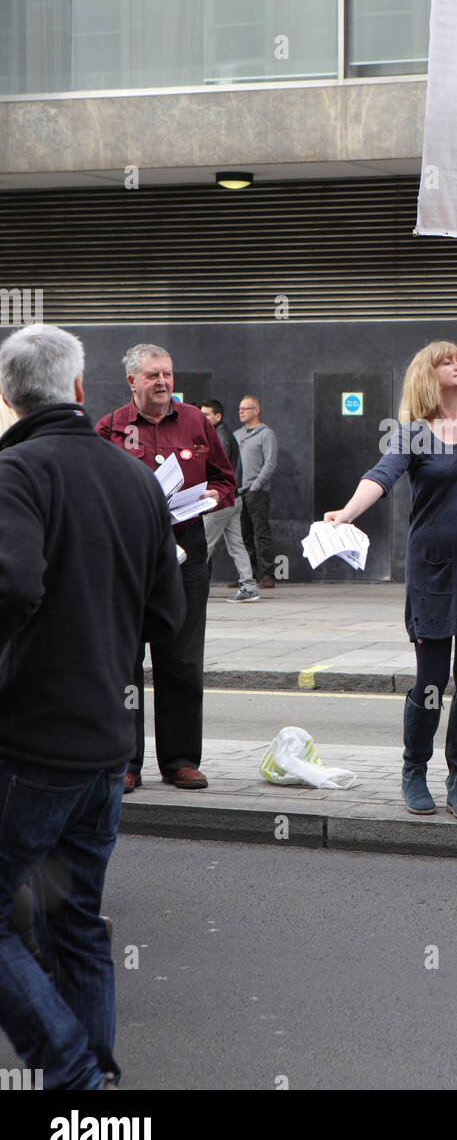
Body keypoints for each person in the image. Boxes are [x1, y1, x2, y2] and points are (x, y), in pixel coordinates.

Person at [0, 324, 184, 1089]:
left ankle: (73, 1076)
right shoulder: (134, 477)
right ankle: (96, 1103)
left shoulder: (15, 473)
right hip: (108, 747)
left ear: (9, 398)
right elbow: (167, 616)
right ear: (79, 390)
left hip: (31, 746)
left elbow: (12, 586)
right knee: (72, 922)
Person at [324, 341, 457, 819]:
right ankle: (415, 771)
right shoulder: (413, 434)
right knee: (431, 679)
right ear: (427, 376)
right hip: (432, 571)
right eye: (447, 360)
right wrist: (346, 514)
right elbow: (382, 475)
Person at [96, 344, 235, 791]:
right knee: (124, 662)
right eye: (153, 375)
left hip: (186, 550)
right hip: (128, 555)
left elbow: (225, 478)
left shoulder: (195, 421)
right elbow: (91, 488)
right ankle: (126, 763)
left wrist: (215, 496)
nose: (162, 383)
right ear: (132, 381)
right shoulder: (110, 429)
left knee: (181, 658)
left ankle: (179, 761)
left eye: (168, 375)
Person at [202, 398, 258, 601]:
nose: (203, 418)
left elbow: (218, 469)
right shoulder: (222, 435)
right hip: (233, 499)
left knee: (204, 544)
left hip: (221, 500)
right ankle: (249, 586)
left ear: (218, 416)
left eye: (206, 415)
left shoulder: (221, 438)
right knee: (236, 545)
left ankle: (190, 587)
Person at [235, 395, 278, 589]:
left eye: (246, 408)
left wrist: (256, 485)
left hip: (256, 492)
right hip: (239, 492)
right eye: (240, 409)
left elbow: (270, 463)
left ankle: (268, 575)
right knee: (243, 536)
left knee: (261, 534)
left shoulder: (265, 434)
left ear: (256, 410)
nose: (241, 411)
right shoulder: (236, 435)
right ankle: (247, 576)